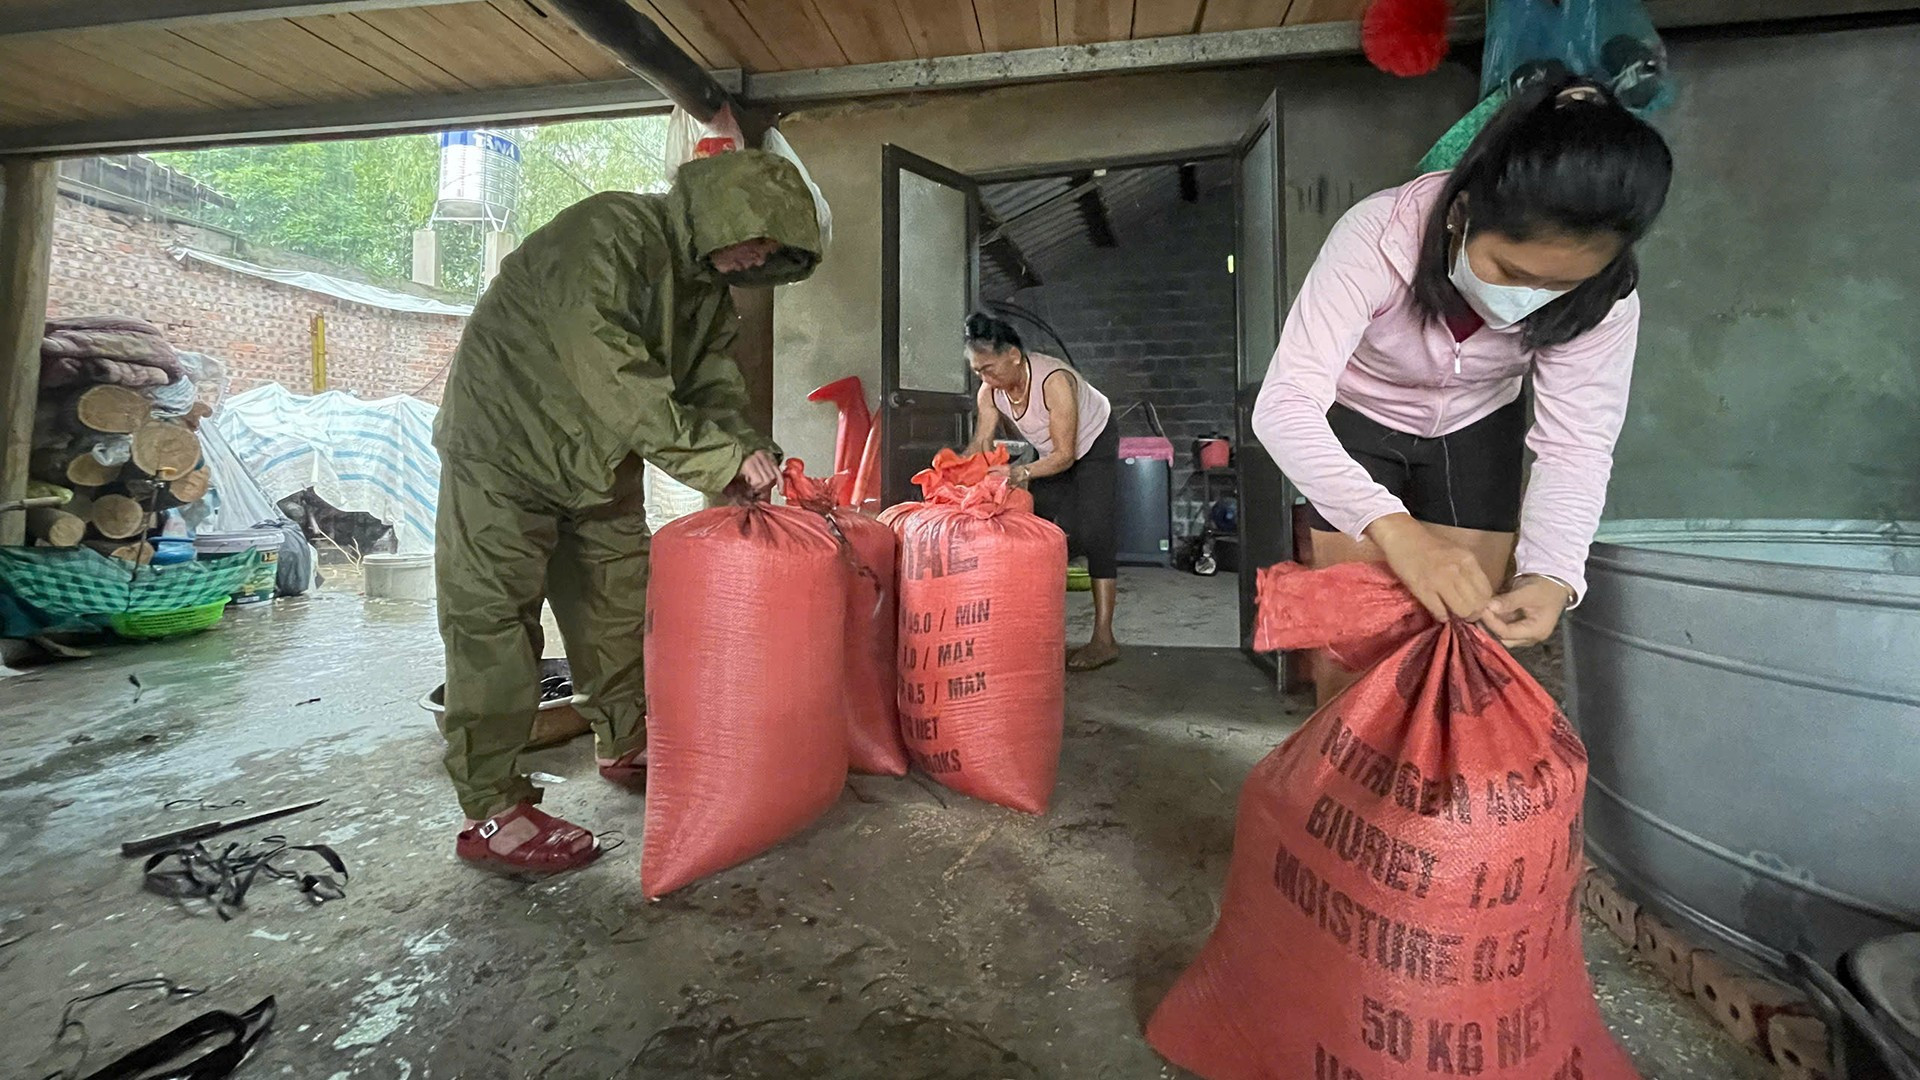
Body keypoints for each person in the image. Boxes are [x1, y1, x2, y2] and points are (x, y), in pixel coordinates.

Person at [432, 148, 823, 872]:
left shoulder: (705, 292)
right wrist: (713, 458)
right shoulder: (606, 232)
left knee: (620, 605)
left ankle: (627, 739)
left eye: (769, 255)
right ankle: (492, 811)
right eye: (756, 239)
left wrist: (746, 454)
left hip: (598, 462)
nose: (753, 260)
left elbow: (712, 389)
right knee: (491, 620)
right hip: (504, 449)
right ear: (723, 213)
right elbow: (612, 370)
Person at [1252, 76, 1673, 704]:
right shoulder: (1377, 236)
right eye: (1511, 271)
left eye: (1559, 286)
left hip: (1477, 425)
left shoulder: (1605, 298)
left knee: (1460, 640)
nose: (1529, 299)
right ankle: (1352, 789)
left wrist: (1552, 574)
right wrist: (1394, 530)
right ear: (1461, 210)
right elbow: (1284, 406)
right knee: (1355, 646)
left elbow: (1577, 446)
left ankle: (1434, 795)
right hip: (1358, 415)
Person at [960, 312, 1122, 671]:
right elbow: (981, 443)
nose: (984, 378)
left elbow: (1066, 455)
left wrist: (1019, 472)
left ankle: (1104, 639)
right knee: (1035, 523)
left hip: (1093, 440)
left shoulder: (1054, 381)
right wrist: (954, 473)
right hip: (1052, 452)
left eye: (988, 368)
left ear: (1014, 355)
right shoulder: (992, 390)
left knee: (1097, 530)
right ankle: (1032, 632)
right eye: (977, 372)